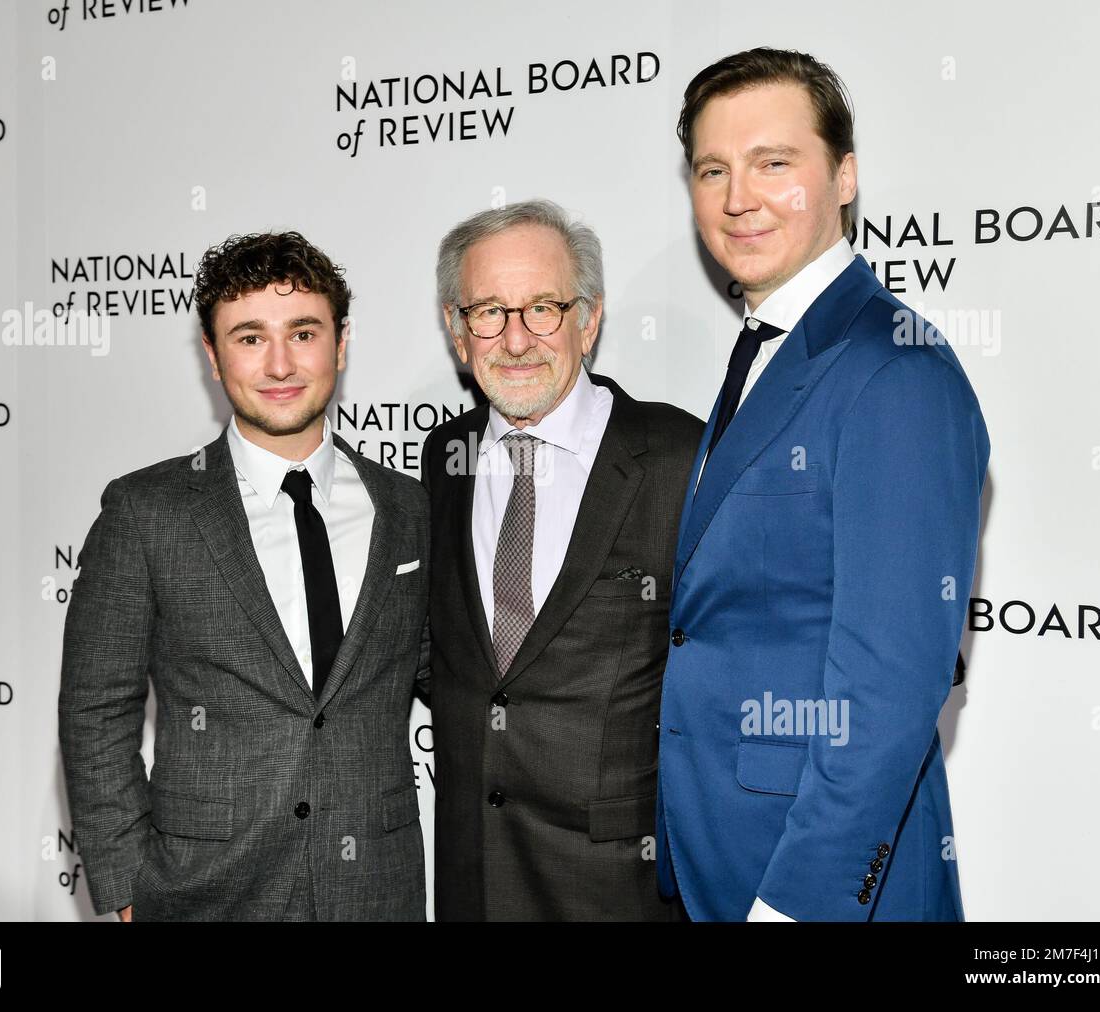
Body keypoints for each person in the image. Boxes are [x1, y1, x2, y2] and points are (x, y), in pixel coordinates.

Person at [656, 47, 990, 921]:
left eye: (774, 163)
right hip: (723, 854)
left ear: (844, 176)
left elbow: (889, 688)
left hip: (815, 883)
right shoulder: (766, 349)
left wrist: (801, 904)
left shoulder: (896, 372)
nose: (738, 197)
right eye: (713, 169)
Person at [59, 231, 429, 921]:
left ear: (340, 344)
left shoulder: (407, 509)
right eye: (250, 337)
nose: (281, 362)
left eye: (304, 332)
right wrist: (126, 893)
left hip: (375, 890)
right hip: (205, 892)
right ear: (212, 354)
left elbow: (452, 670)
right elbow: (94, 712)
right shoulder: (146, 512)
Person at [421, 199, 704, 920]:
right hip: (469, 880)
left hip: (618, 890)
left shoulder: (679, 458)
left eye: (543, 307)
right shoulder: (441, 460)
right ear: (458, 332)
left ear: (590, 319)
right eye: (487, 311)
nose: (516, 339)